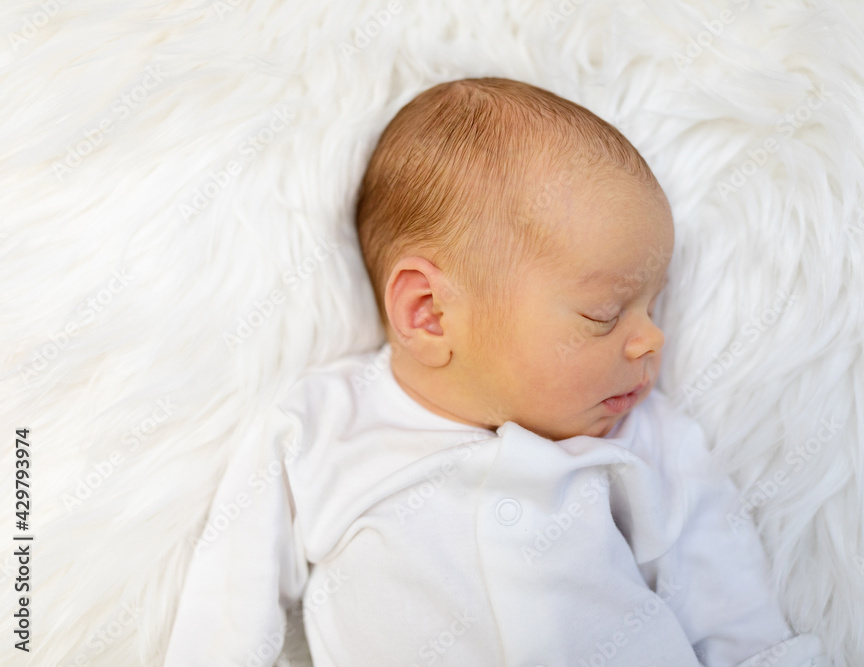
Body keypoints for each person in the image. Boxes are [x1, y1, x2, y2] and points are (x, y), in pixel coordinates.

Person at [165, 77, 828, 666]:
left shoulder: (643, 434)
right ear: (429, 313)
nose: (651, 336)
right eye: (605, 312)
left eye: (652, 304)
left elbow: (725, 589)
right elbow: (231, 588)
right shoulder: (322, 425)